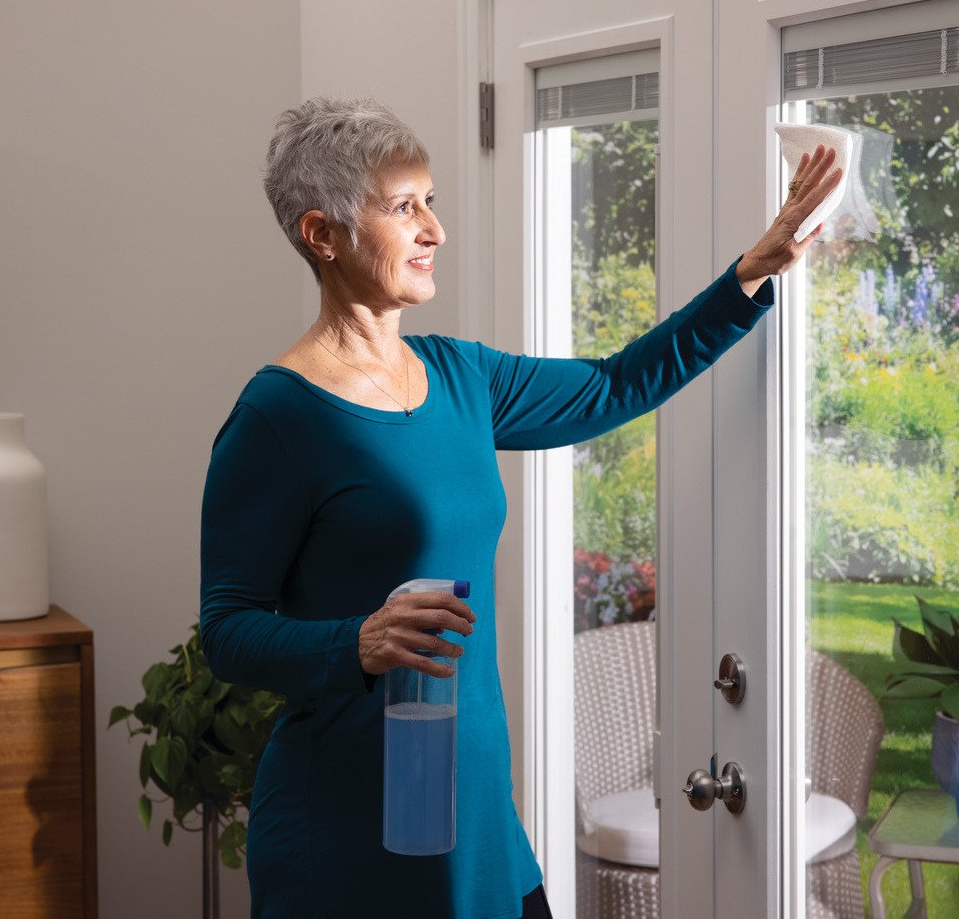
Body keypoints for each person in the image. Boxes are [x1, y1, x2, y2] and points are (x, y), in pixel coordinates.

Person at [199, 97, 839, 918]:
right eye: (404, 207)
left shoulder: (463, 378)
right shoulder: (278, 418)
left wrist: (749, 273)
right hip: (346, 827)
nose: (434, 229)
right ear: (322, 235)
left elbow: (613, 383)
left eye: (432, 201)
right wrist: (356, 641)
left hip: (475, 816)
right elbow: (228, 629)